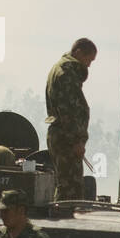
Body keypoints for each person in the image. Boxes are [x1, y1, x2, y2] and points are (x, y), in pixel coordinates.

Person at [45, 38, 96, 206]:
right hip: (66, 139)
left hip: (62, 136)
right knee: (70, 191)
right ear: (79, 53)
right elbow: (68, 111)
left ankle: (61, 216)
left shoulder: (60, 68)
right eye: (89, 59)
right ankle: (63, 220)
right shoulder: (66, 74)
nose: (89, 65)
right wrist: (76, 141)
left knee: (66, 186)